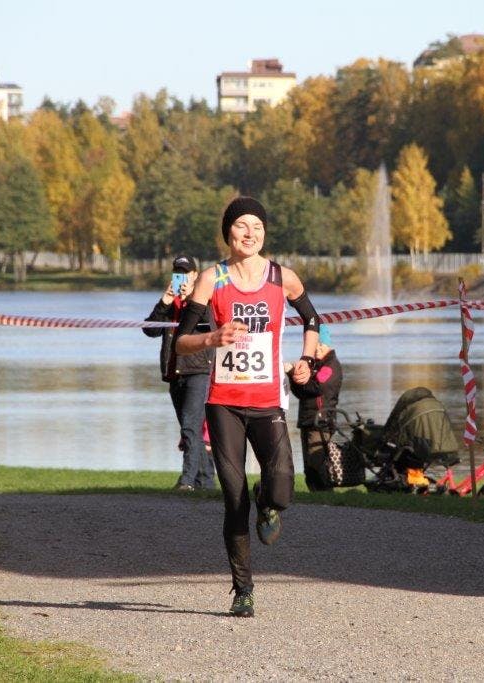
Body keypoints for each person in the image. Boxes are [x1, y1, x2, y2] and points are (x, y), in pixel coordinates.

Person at [174, 196, 321, 618]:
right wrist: (211, 338)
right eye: (241, 225)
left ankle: (268, 502)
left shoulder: (282, 277)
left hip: (268, 400)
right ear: (228, 233)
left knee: (282, 485)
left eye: (257, 225)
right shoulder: (212, 279)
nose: (250, 233)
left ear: (265, 233)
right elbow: (181, 343)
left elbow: (313, 320)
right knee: (234, 498)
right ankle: (243, 589)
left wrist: (307, 360)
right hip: (223, 403)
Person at [143, 254, 216, 492]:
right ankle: (206, 482)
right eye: (177, 273)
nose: (181, 277)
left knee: (190, 427)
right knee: (190, 429)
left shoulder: (202, 299)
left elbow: (209, 325)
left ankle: (187, 481)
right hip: (175, 373)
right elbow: (150, 330)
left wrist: (190, 300)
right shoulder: (170, 303)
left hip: (198, 370)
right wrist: (165, 300)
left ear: (195, 275)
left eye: (185, 273)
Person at [286, 325, 343, 491]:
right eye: (314, 345)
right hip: (308, 420)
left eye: (320, 344)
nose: (317, 348)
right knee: (309, 466)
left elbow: (316, 388)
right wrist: (295, 376)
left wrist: (293, 373)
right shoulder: (315, 365)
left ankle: (325, 494)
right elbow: (302, 392)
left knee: (317, 463)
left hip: (321, 422)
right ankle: (315, 494)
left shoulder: (329, 366)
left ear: (327, 344)